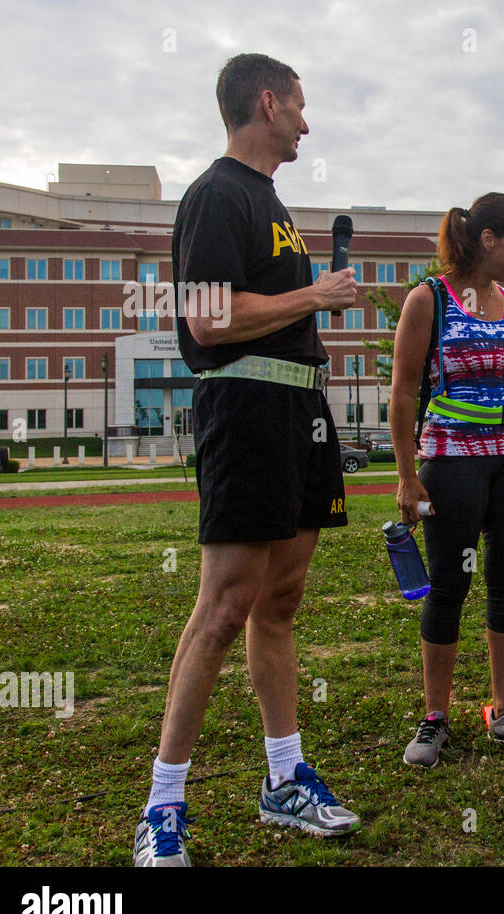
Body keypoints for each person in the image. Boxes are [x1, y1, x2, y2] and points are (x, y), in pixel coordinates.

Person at [136, 54, 361, 867]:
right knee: (225, 607)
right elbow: (205, 323)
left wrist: (313, 317)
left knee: (283, 600)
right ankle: (163, 808)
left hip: (301, 410)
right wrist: (315, 297)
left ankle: (283, 778)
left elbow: (265, 309)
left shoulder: (272, 204)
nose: (307, 121)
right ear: (267, 103)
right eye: (300, 106)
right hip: (247, 410)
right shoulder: (217, 194)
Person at [390, 193, 504, 768]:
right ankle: (435, 718)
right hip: (452, 461)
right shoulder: (429, 299)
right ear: (488, 239)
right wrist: (408, 476)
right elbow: (403, 392)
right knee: (448, 586)